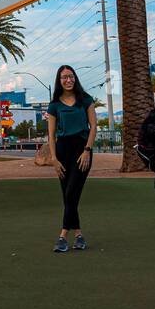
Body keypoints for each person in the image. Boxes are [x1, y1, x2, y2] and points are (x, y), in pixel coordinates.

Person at [45, 65, 96, 253]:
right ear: (59, 80)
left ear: (75, 78)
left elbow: (93, 127)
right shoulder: (54, 105)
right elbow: (51, 136)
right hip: (62, 152)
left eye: (71, 76)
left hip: (81, 151)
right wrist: (54, 159)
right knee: (68, 195)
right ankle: (79, 235)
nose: (68, 80)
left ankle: (63, 235)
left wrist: (87, 150)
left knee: (71, 193)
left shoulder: (86, 100)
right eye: (64, 77)